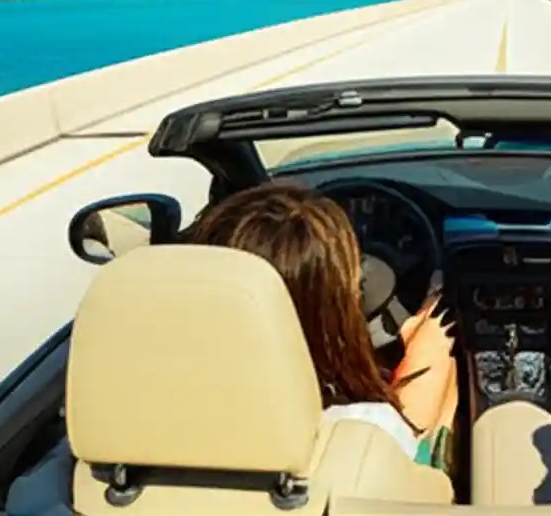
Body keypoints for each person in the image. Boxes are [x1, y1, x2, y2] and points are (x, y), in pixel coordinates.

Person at [190, 181, 458, 471]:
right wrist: (435, 337)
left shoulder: (158, 417)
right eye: (355, 282)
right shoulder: (360, 439)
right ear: (329, 313)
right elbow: (414, 432)